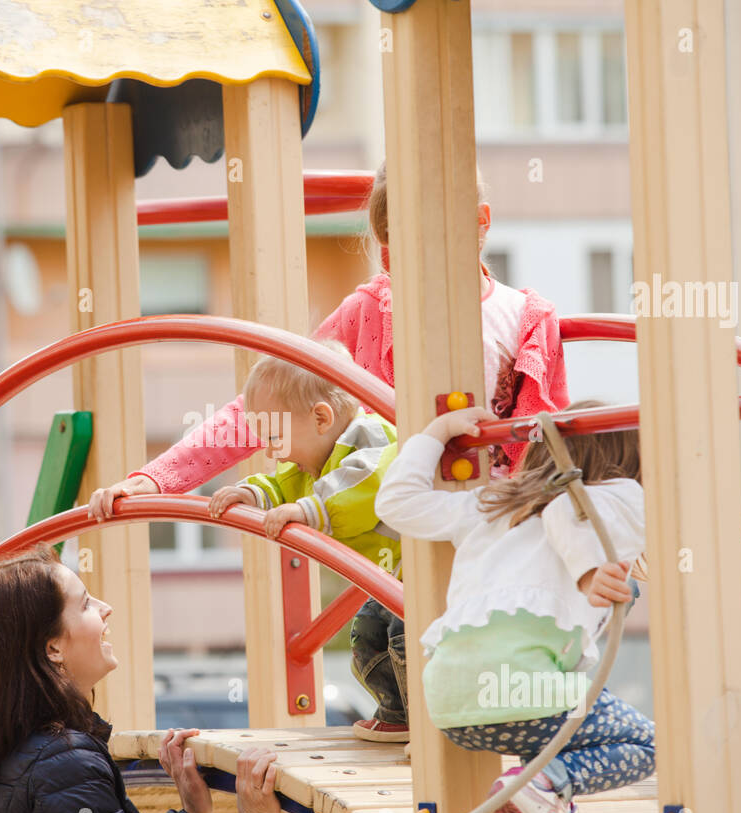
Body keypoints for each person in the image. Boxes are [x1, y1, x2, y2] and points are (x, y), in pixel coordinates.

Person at [89, 161, 570, 743]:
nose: (418, 267)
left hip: (484, 530)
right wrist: (159, 479)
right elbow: (270, 405)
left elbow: (549, 441)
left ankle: (494, 739)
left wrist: (575, 525)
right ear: (388, 254)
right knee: (383, 631)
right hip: (407, 524)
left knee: (462, 636)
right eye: (401, 252)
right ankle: (410, 725)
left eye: (438, 243)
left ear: (480, 225)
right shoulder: (372, 313)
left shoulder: (524, 318)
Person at [374, 401, 653, 813]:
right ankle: (544, 787)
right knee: (646, 743)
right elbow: (568, 506)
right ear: (628, 463)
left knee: (558, 704)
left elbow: (396, 503)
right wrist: (587, 573)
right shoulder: (612, 494)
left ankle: (555, 808)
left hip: (450, 705)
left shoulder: (489, 503)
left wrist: (437, 431)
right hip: (525, 692)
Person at [0, 545, 283, 813]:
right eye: (86, 604)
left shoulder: (18, 751)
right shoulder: (64, 765)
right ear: (53, 648)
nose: (106, 608)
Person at [206, 348, 405, 740]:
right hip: (391, 579)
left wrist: (310, 508)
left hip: (425, 572)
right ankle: (399, 715)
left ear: (320, 418)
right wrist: (252, 494)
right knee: (367, 634)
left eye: (275, 437)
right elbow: (280, 487)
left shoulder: (371, 438)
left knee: (407, 641)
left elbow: (368, 483)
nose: (270, 450)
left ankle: (434, 734)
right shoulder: (306, 464)